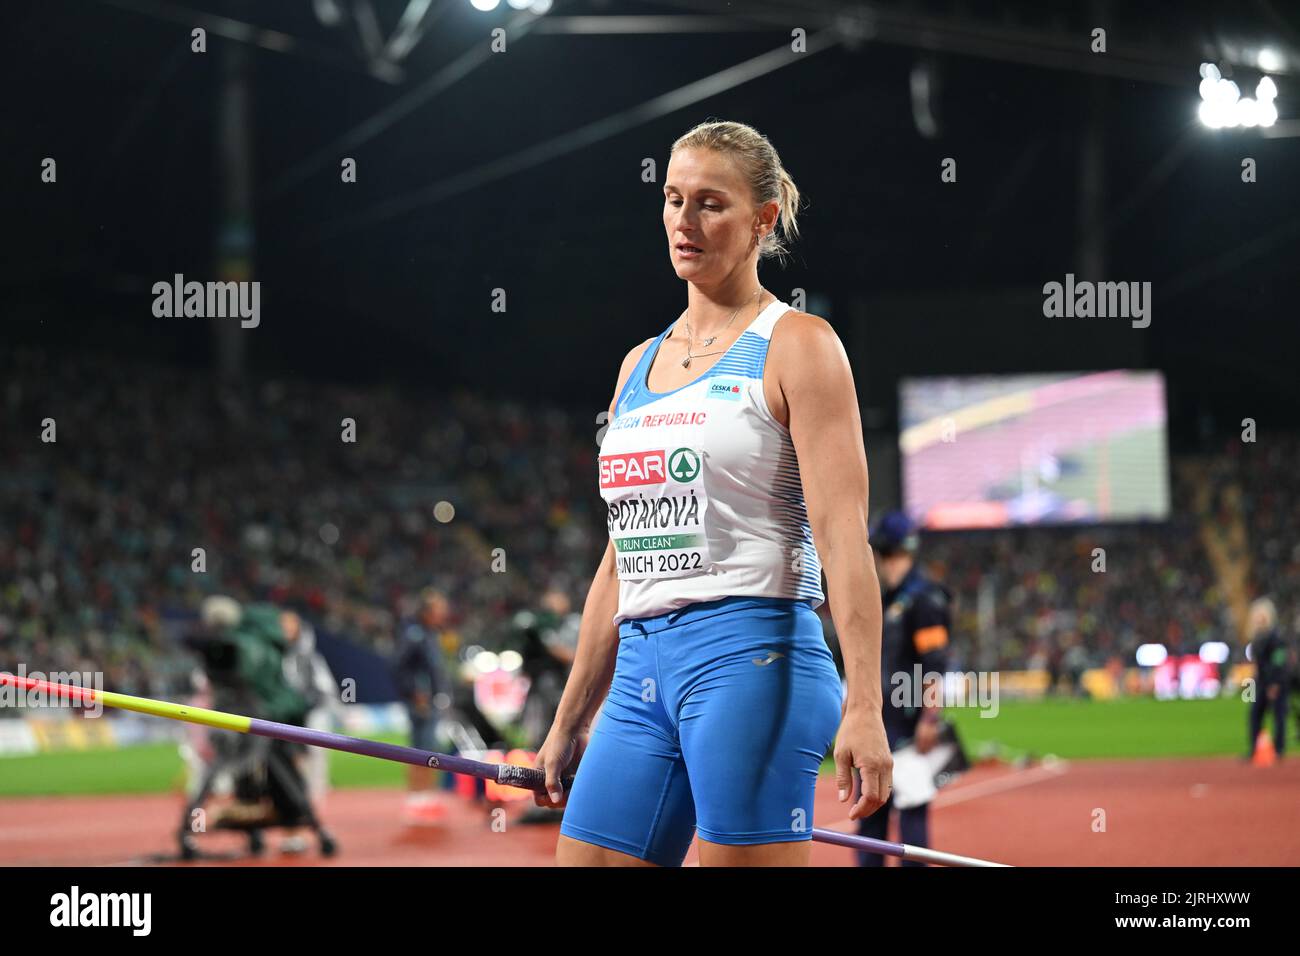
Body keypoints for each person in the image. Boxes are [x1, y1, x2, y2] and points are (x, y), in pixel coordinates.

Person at [532, 119, 892, 867]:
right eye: (671, 198)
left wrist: (865, 705)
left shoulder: (799, 345)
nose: (683, 222)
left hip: (752, 660)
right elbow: (619, 562)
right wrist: (569, 720)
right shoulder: (638, 362)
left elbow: (842, 536)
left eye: (710, 204)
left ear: (764, 219)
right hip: (639, 670)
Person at [856, 511, 951, 867]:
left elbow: (935, 664)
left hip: (909, 727)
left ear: (881, 549)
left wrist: (929, 719)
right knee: (870, 819)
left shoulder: (924, 598)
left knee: (911, 824)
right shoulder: (890, 598)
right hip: (878, 724)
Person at [393, 588, 456, 822]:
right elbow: (398, 666)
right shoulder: (415, 635)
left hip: (432, 700)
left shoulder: (429, 634)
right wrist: (415, 693)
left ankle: (425, 797)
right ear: (428, 612)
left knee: (429, 748)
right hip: (421, 703)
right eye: (440, 610)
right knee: (421, 749)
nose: (444, 614)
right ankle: (416, 799)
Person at [1246, 597, 1289, 760]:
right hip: (1261, 681)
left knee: (1279, 715)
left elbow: (1278, 661)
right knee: (1255, 714)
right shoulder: (1257, 637)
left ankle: (1279, 749)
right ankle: (1254, 749)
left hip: (1274, 682)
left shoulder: (1275, 637)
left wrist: (1275, 684)